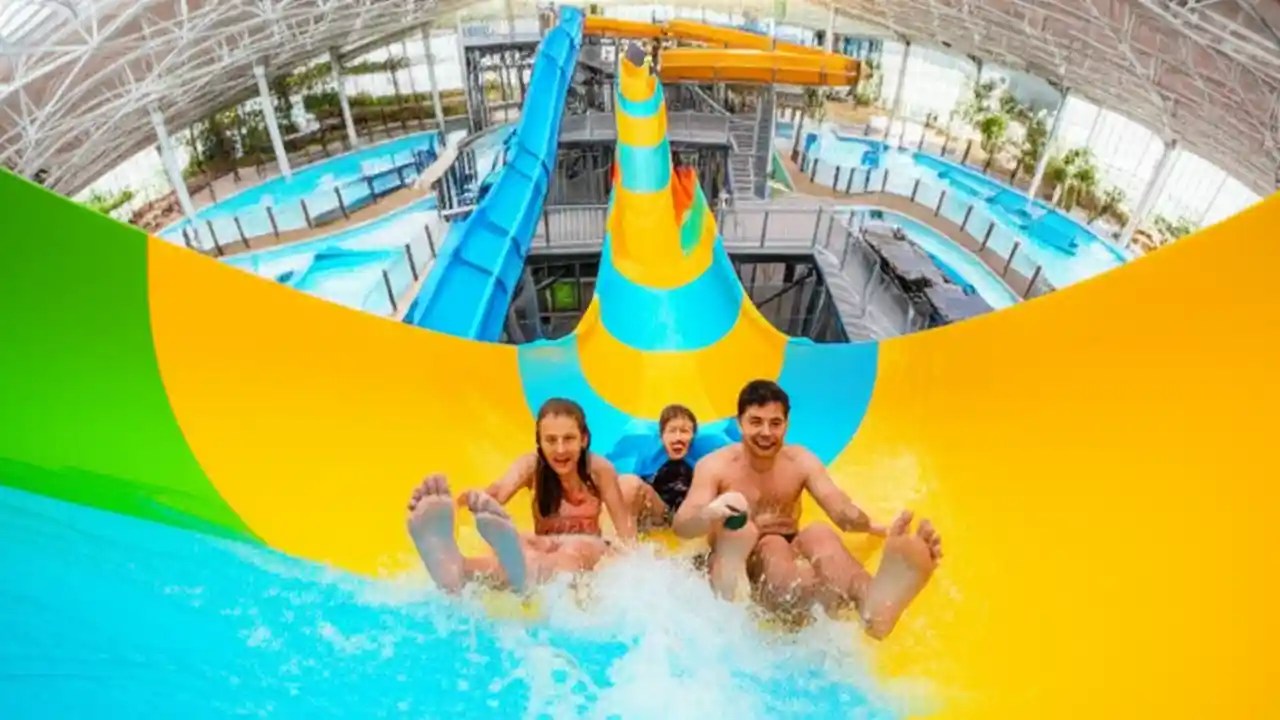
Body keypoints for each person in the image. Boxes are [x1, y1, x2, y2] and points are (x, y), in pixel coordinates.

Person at [672, 380, 943, 640]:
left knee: (820, 535)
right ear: (740, 424)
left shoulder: (799, 460)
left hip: (789, 552)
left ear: (786, 425)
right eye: (756, 422)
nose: (766, 432)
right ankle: (820, 593)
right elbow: (682, 526)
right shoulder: (714, 466)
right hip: (742, 562)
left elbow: (840, 509)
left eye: (775, 423)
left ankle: (873, 603)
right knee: (769, 544)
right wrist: (711, 512)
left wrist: (874, 526)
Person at [406, 398, 637, 594]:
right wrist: (468, 503)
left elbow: (624, 530)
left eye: (568, 439)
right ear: (539, 441)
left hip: (589, 551)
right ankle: (457, 569)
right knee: (523, 543)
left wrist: (620, 565)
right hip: (543, 548)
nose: (560, 449)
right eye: (551, 440)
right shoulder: (531, 466)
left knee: (571, 550)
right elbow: (501, 490)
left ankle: (518, 574)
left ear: (583, 439)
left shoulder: (599, 470)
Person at [619, 404, 700, 530]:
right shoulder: (650, 461)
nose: (678, 437)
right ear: (662, 437)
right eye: (672, 431)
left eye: (684, 431)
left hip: (689, 519)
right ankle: (629, 542)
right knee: (628, 483)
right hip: (661, 514)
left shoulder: (702, 464)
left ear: (693, 437)